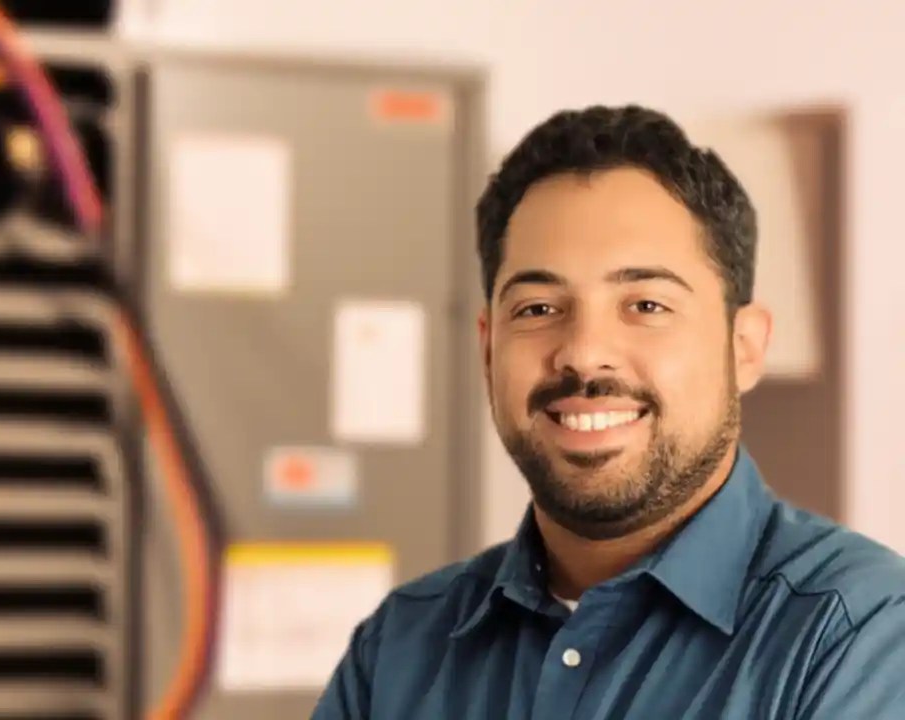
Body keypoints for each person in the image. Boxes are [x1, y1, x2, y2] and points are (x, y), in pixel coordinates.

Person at [312, 105, 905, 719]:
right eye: (538, 309)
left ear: (745, 346)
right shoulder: (398, 649)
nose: (585, 354)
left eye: (646, 304)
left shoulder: (860, 636)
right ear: (488, 348)